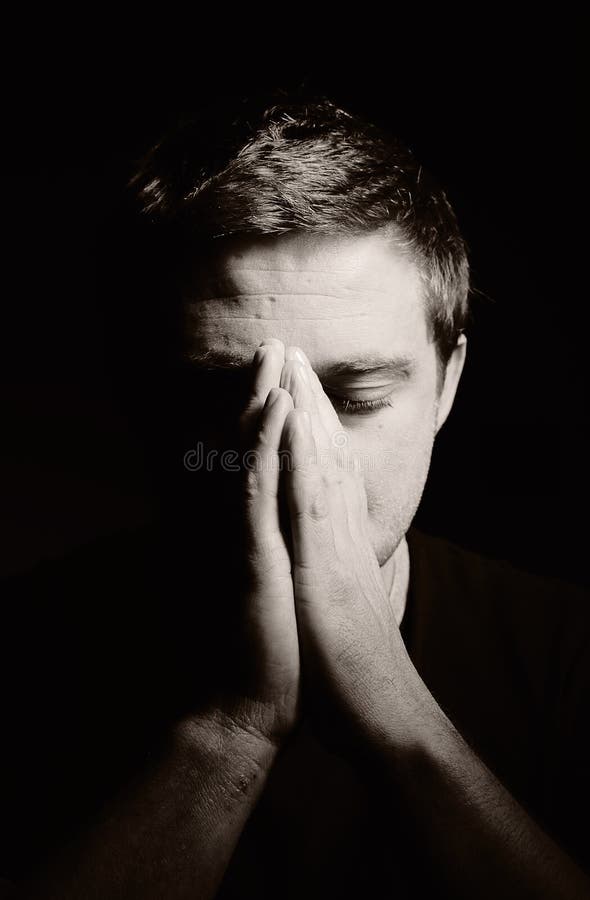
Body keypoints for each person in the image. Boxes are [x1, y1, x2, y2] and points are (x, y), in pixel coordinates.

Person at [1, 95, 588, 899]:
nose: (290, 451)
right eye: (224, 397)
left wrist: (392, 706)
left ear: (447, 384)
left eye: (354, 398)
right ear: (137, 398)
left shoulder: (569, 659)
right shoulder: (21, 654)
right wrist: (234, 729)